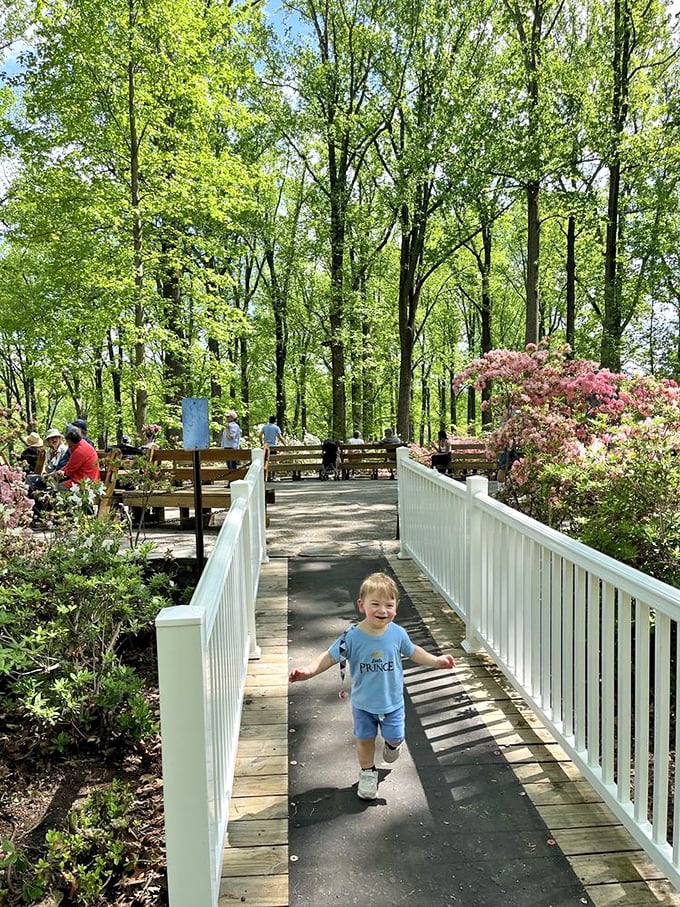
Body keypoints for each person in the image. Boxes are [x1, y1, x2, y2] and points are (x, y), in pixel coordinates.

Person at [288, 571, 455, 800]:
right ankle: (367, 772)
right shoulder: (352, 637)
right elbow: (328, 656)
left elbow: (413, 651)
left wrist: (436, 661)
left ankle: (393, 745)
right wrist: (308, 671)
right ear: (361, 605)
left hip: (392, 703)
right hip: (363, 704)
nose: (382, 610)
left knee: (395, 736)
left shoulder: (397, 634)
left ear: (396, 607)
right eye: (375, 604)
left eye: (389, 605)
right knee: (365, 739)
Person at [53, 424, 100, 490]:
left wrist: (56, 474)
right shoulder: (82, 443)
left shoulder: (79, 451)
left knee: (59, 487)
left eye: (67, 442)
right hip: (88, 477)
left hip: (86, 482)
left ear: (70, 441)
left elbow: (68, 471)